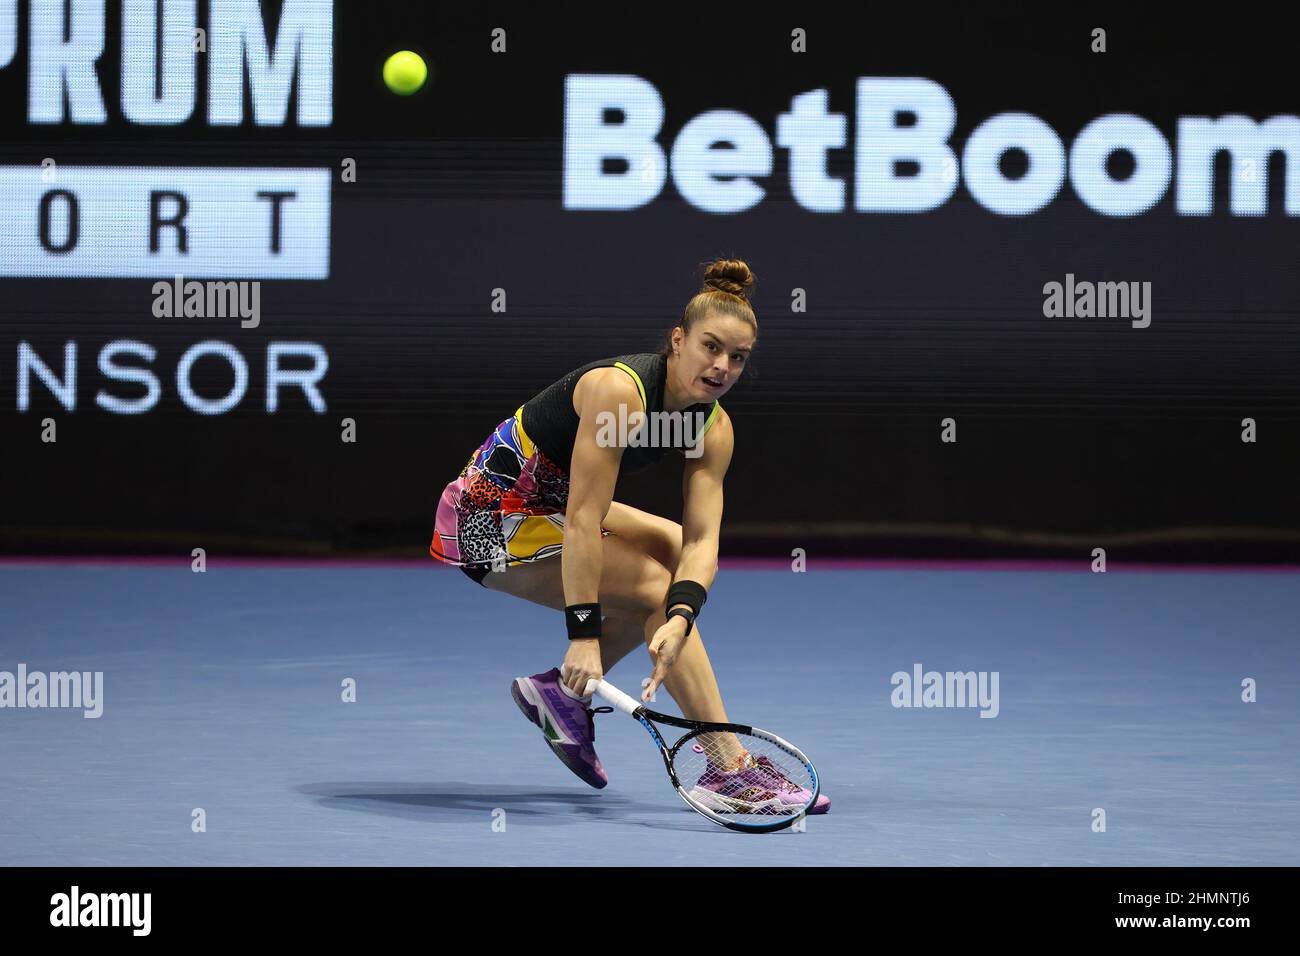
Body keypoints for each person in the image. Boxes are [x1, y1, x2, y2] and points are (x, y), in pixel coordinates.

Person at [430, 258, 829, 814]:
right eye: (709, 347)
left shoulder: (712, 429)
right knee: (649, 586)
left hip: (551, 502)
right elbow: (582, 521)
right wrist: (583, 635)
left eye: (737, 358)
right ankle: (726, 765)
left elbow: (700, 541)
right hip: (484, 514)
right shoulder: (621, 393)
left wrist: (679, 620)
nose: (721, 367)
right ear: (677, 340)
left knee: (670, 551)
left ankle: (560, 696)